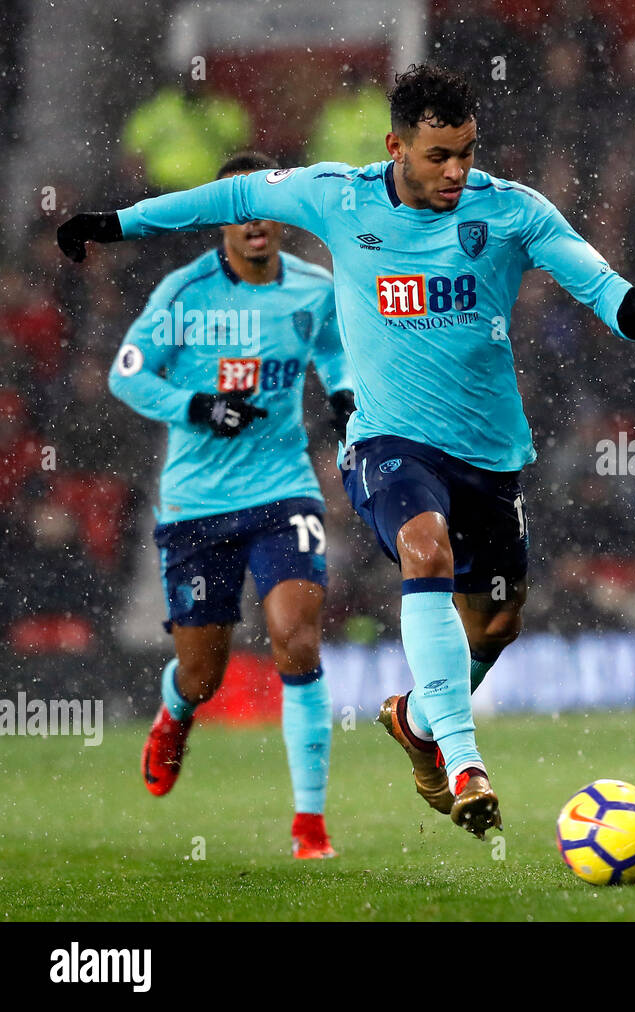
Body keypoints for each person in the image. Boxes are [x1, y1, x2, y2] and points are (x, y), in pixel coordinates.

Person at [61, 65, 635, 840]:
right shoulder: (336, 194)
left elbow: (590, 277)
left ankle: (417, 721)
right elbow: (230, 197)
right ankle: (462, 761)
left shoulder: (510, 210)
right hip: (388, 443)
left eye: (467, 152)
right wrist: (117, 223)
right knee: (424, 550)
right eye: (440, 154)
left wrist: (632, 309)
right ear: (396, 145)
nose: (457, 171)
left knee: (497, 625)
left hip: (489, 455)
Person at [105, 151, 355, 859]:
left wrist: (341, 395)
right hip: (197, 505)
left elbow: (335, 351)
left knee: (296, 639)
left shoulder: (312, 288)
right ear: (220, 219)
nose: (254, 226)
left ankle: (310, 825)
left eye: (266, 213)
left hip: (283, 488)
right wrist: (197, 405)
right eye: (239, 214)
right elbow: (127, 375)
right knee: (202, 674)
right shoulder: (183, 294)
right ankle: (176, 713)